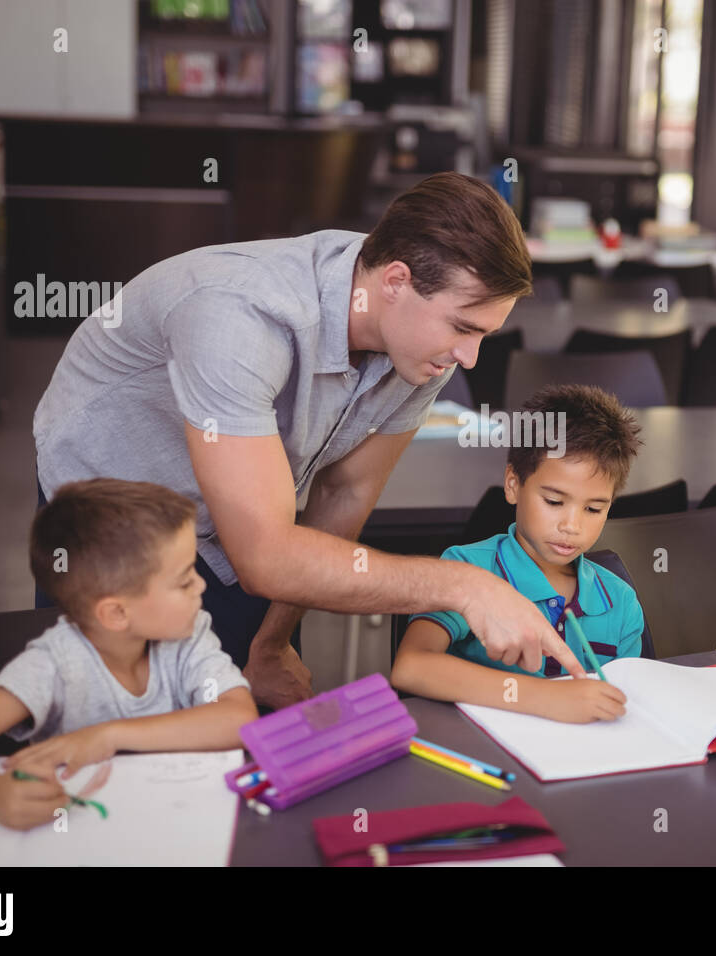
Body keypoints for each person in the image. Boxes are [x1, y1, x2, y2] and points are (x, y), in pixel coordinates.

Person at [32, 172, 586, 709]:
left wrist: (272, 644)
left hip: (244, 529)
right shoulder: (239, 315)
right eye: (464, 327)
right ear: (395, 281)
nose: (470, 358)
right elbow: (266, 558)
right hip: (113, 518)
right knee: (121, 724)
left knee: (246, 719)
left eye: (484, 334)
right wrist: (465, 586)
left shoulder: (419, 345)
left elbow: (345, 493)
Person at [0, 479, 258, 831]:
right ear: (116, 613)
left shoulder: (189, 636)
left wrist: (109, 735)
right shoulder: (53, 666)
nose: (201, 585)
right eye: (184, 580)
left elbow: (239, 719)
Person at [391, 385, 646, 723]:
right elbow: (411, 667)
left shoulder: (620, 602)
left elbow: (629, 702)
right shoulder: (467, 569)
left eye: (594, 509)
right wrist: (546, 697)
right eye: (554, 501)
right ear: (513, 485)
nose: (572, 525)